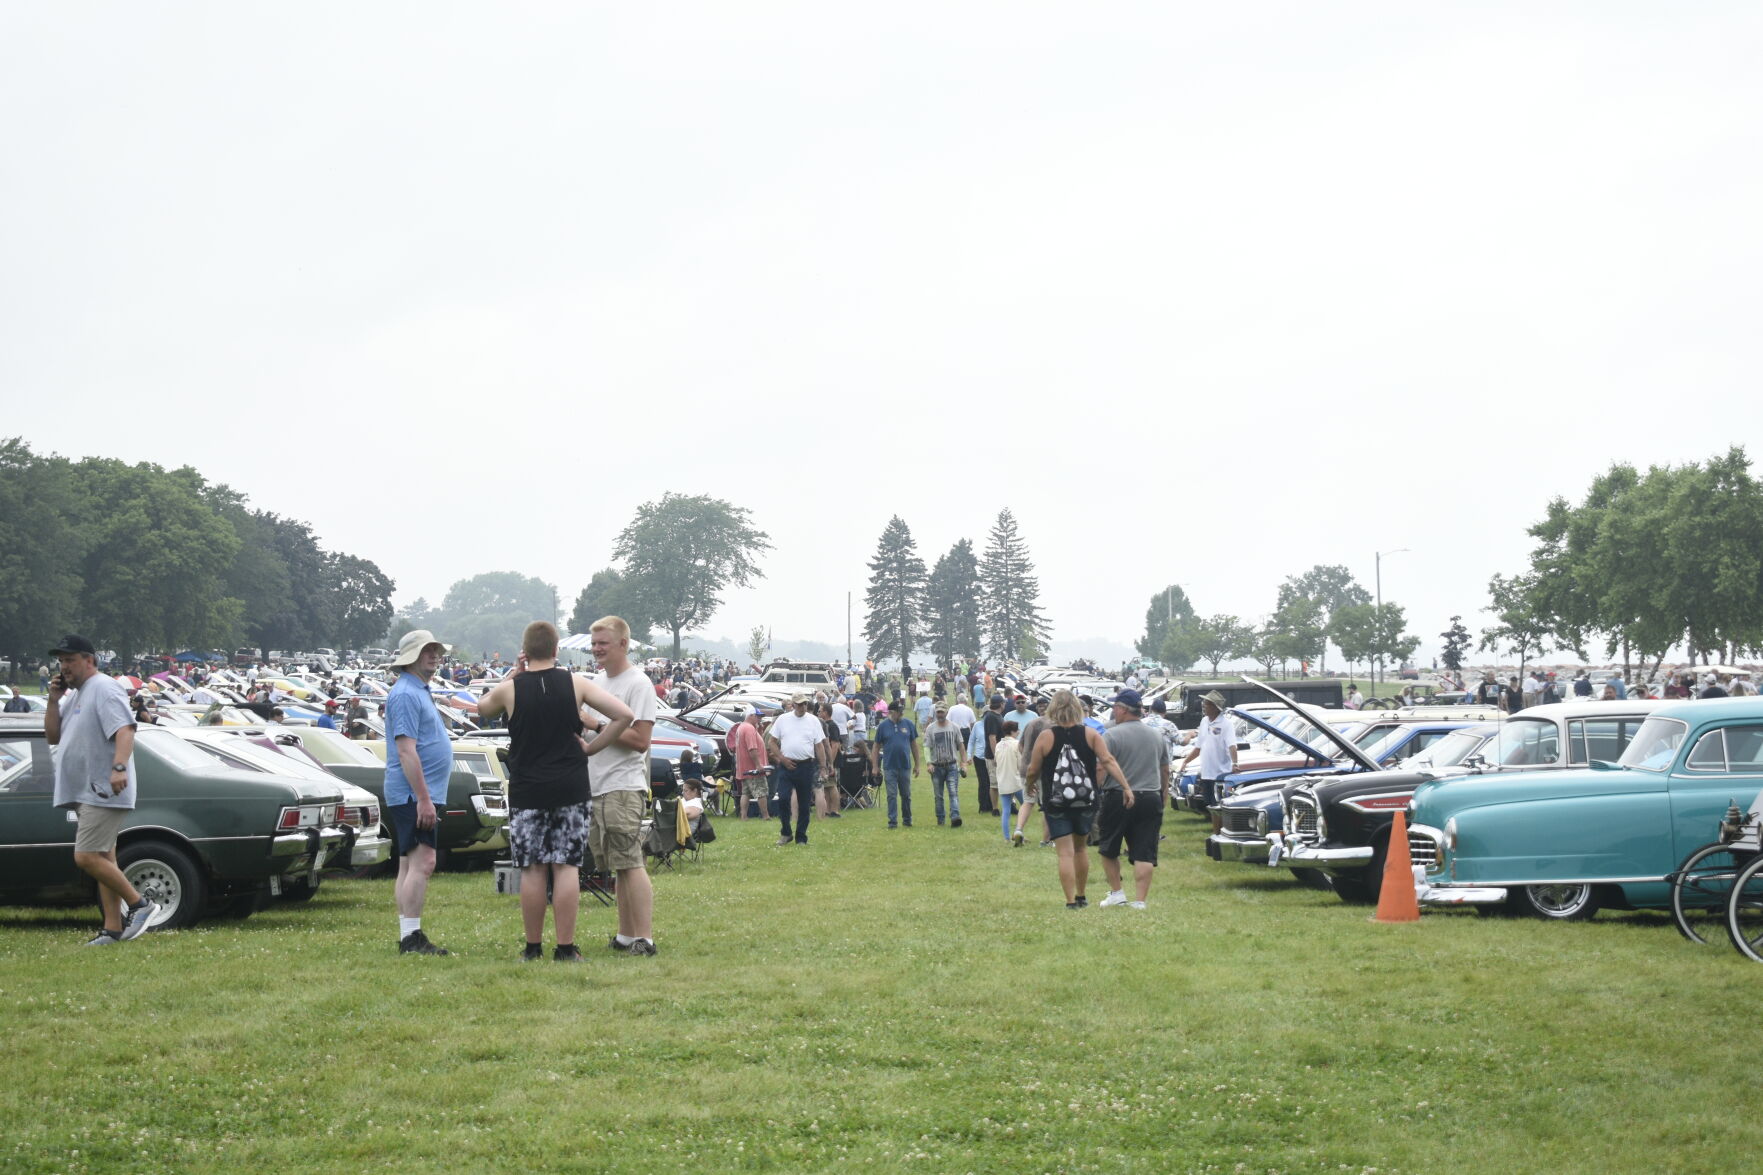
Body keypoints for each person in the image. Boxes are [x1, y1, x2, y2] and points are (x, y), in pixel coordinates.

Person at [475, 621, 633, 963]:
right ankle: (565, 948)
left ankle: (532, 948)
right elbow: (624, 716)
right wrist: (591, 749)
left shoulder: (511, 689)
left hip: (527, 788)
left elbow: (481, 708)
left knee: (532, 868)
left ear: (525, 652)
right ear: (556, 649)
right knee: (566, 866)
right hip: (570, 786)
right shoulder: (575, 683)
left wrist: (512, 675)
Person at [44, 635, 160, 945]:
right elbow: (53, 736)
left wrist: (119, 767)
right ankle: (112, 929)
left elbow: (125, 729)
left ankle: (140, 905)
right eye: (61, 661)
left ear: (89, 660)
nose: (64, 666)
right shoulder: (74, 695)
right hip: (85, 791)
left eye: (70, 660)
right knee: (105, 859)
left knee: (86, 856)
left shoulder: (104, 687)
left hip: (103, 789)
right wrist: (54, 700)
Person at [583, 616, 659, 956]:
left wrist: (596, 723)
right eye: (594, 642)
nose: (596, 648)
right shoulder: (598, 682)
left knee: (630, 862)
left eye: (603, 643)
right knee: (618, 865)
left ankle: (644, 937)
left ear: (623, 644)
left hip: (623, 785)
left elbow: (641, 740)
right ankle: (625, 935)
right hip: (598, 785)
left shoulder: (638, 684)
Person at [383, 629, 455, 956]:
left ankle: (407, 933)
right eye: (427, 650)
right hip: (413, 794)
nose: (435, 655)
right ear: (410, 656)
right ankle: (411, 937)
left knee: (408, 864)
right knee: (424, 862)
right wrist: (424, 799)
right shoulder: (406, 694)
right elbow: (406, 751)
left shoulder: (417, 690)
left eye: (436, 650)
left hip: (416, 792)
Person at [1026, 690, 1122, 908]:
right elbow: (1106, 760)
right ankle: (1081, 895)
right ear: (1078, 709)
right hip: (1085, 800)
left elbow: (1033, 769)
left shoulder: (1046, 736)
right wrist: (1125, 786)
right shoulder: (1090, 734)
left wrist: (1029, 784)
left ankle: (1069, 900)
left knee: (1065, 853)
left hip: (1056, 801)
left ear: (1053, 709)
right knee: (1080, 849)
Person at [1095, 690, 1170, 909]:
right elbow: (1165, 769)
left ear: (1123, 709)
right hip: (1150, 796)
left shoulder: (1111, 735)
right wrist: (1163, 793)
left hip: (1117, 796)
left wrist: (1096, 790)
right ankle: (1140, 901)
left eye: (1114, 707)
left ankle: (1117, 893)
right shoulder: (1156, 735)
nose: (1113, 711)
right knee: (1145, 850)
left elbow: (1101, 766)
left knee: (1109, 847)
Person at [766, 692, 826, 845]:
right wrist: (782, 758)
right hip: (787, 765)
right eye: (799, 704)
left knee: (804, 803)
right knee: (783, 798)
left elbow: (819, 746)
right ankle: (786, 832)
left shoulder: (813, 721)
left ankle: (801, 836)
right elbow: (771, 742)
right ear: (793, 705)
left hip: (806, 765)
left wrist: (824, 766)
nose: (802, 707)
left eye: (805, 704)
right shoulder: (783, 719)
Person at [1178, 690, 1239, 831]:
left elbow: (1232, 746)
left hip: (1220, 773)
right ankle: (1216, 832)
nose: (1203, 706)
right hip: (1206, 772)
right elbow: (1198, 747)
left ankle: (1220, 833)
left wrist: (1235, 764)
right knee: (1211, 806)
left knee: (1220, 806)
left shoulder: (1226, 724)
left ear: (1214, 707)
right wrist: (1186, 761)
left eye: (1206, 704)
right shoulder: (1204, 721)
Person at [871, 699, 922, 830]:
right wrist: (875, 766)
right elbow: (876, 747)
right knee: (891, 795)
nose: (902, 713)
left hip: (905, 766)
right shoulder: (883, 726)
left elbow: (914, 746)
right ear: (892, 712)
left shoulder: (909, 724)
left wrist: (917, 765)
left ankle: (907, 819)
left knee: (906, 795)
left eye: (902, 710)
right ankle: (892, 821)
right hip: (889, 766)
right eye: (899, 711)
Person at [1013, 698, 1052, 846]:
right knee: (1047, 806)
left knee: (1028, 802)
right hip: (1042, 770)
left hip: (1025, 768)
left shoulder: (1031, 723)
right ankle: (1046, 840)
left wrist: (1027, 759)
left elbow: (1021, 745)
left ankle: (1018, 830)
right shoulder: (1051, 725)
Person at [923, 701, 964, 826]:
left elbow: (961, 745)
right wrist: (929, 763)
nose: (939, 714)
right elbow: (926, 747)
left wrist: (964, 763)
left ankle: (955, 817)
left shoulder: (954, 727)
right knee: (938, 795)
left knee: (953, 792)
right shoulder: (930, 728)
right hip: (936, 767)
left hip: (951, 765)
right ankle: (940, 819)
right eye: (938, 712)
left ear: (946, 712)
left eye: (941, 711)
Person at [729, 708, 771, 820]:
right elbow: (752, 748)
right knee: (761, 792)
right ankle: (765, 816)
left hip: (744, 767)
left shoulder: (742, 727)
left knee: (745, 793)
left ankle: (744, 816)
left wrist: (760, 731)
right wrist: (758, 765)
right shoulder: (749, 728)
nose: (759, 719)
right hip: (753, 767)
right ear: (750, 715)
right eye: (757, 716)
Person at [992, 720, 1025, 845]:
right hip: (1016, 782)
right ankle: (1018, 832)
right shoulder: (1017, 744)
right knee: (1025, 806)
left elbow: (995, 762)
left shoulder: (998, 745)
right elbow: (1021, 764)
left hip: (1002, 781)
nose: (1018, 732)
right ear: (1012, 731)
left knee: (1006, 810)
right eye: (1017, 730)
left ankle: (1006, 838)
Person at [815, 701, 843, 819]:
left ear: (825, 712)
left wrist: (828, 762)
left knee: (832, 785)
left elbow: (835, 745)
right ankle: (827, 810)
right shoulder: (823, 725)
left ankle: (835, 810)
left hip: (832, 761)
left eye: (820, 711)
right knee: (825, 786)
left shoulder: (832, 726)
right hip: (826, 762)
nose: (818, 713)